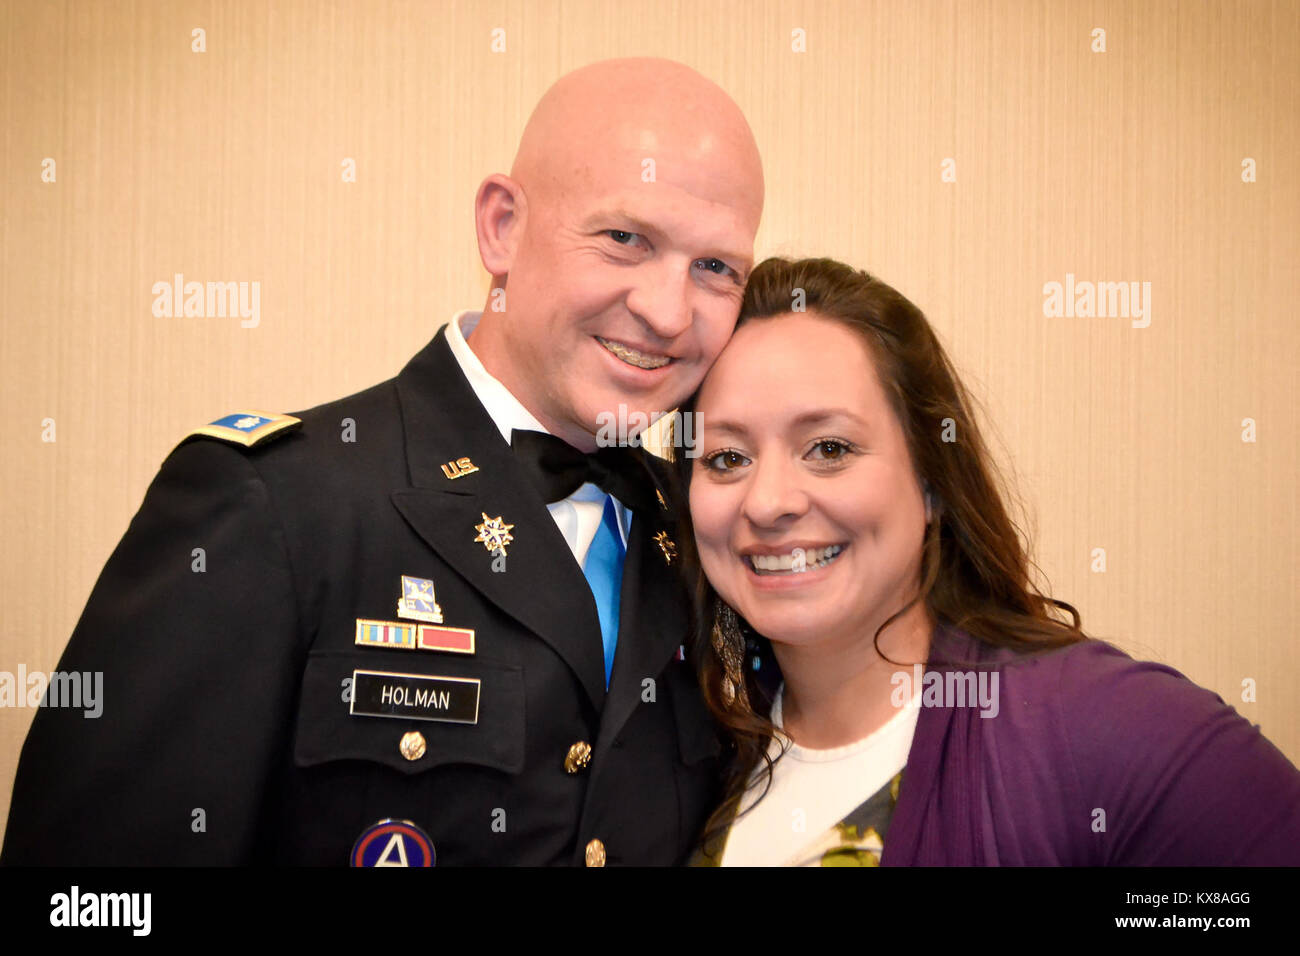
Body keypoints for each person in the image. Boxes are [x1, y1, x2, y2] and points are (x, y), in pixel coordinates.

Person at [1, 57, 765, 866]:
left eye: (715, 268)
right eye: (624, 239)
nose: (668, 312)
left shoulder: (709, 536)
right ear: (502, 226)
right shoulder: (275, 502)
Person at [673, 256, 1300, 866]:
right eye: (727, 458)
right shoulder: (696, 760)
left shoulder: (1097, 727)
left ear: (931, 482)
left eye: (829, 447)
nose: (770, 502)